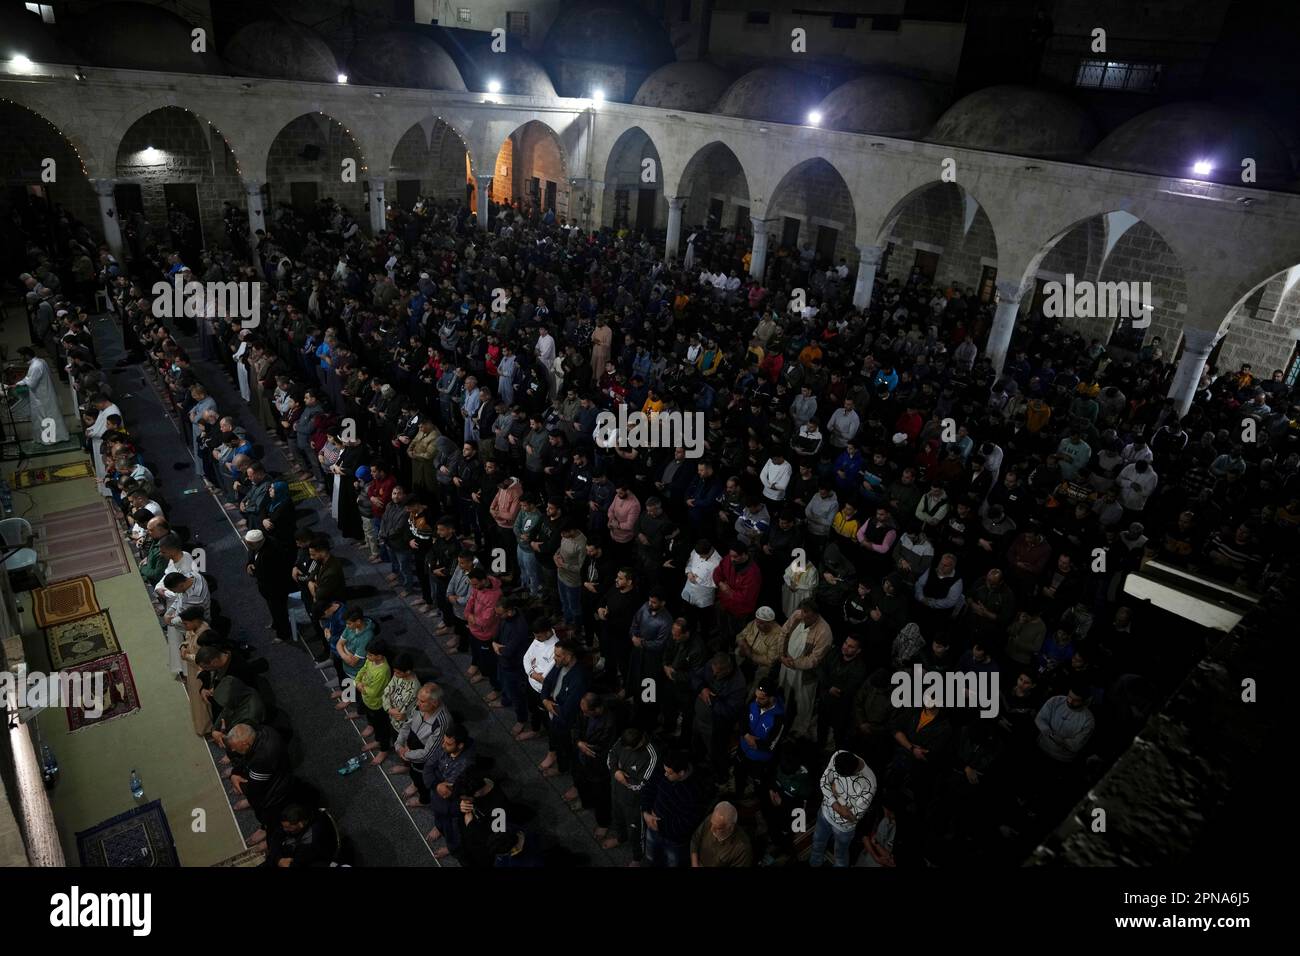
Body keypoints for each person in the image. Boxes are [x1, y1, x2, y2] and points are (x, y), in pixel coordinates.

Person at [640, 750, 707, 868]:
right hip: (652, 827)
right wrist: (645, 812)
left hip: (674, 841)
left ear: (681, 773)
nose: (665, 775)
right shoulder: (665, 769)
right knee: (651, 860)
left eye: (669, 773)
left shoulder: (695, 792)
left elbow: (687, 823)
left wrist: (660, 825)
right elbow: (649, 788)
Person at [811, 750, 876, 867]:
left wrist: (834, 793)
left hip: (843, 828)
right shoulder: (838, 755)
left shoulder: (869, 784)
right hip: (824, 813)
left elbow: (852, 817)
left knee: (840, 856)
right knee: (817, 843)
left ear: (855, 772)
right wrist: (838, 806)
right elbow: (823, 782)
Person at [604, 726, 659, 858]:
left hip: (634, 802)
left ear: (639, 743)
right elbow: (611, 755)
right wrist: (616, 771)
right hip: (617, 793)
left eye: (629, 749)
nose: (625, 751)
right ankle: (621, 838)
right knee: (618, 819)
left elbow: (643, 785)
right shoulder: (623, 740)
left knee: (636, 831)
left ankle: (637, 857)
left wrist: (624, 781)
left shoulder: (651, 755)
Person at [12, 346, 67, 444]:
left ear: (27, 355)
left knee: (45, 418)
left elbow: (31, 383)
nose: (21, 358)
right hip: (44, 395)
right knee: (48, 417)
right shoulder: (41, 361)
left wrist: (19, 384)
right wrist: (17, 383)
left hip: (42, 397)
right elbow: (28, 378)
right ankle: (51, 438)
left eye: (21, 356)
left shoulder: (36, 366)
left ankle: (50, 440)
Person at [689, 801, 752, 867]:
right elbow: (695, 839)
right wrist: (695, 864)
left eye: (718, 828)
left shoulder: (742, 849)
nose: (711, 829)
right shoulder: (713, 819)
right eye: (712, 823)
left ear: (731, 827)